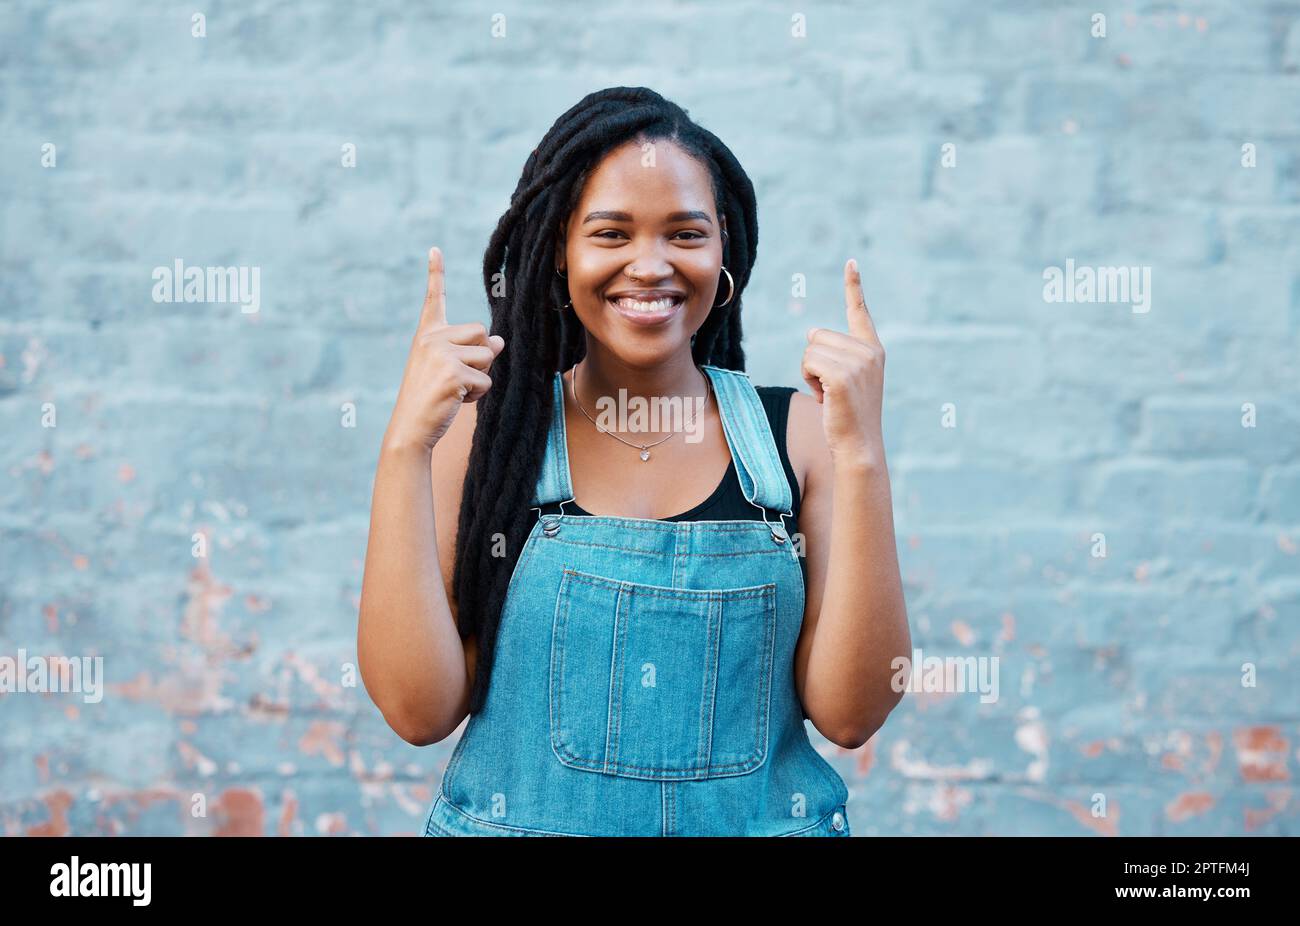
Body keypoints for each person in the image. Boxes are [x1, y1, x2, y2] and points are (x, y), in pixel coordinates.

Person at [357, 86, 911, 836]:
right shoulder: (486, 439)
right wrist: (403, 448)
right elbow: (416, 712)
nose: (649, 266)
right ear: (560, 250)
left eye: (685, 234)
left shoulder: (803, 437)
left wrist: (864, 454)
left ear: (726, 250)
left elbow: (851, 716)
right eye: (611, 234)